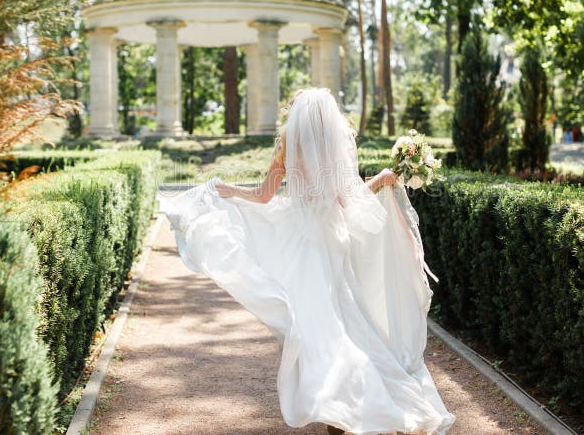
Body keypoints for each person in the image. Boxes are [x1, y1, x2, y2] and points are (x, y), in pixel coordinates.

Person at [161, 88, 455, 434]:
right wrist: (382, 179)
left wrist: (231, 191)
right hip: (334, 242)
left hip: (301, 241)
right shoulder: (337, 141)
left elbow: (264, 195)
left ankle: (336, 407)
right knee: (345, 321)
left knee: (317, 327)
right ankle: (349, 406)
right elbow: (349, 200)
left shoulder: (288, 141)